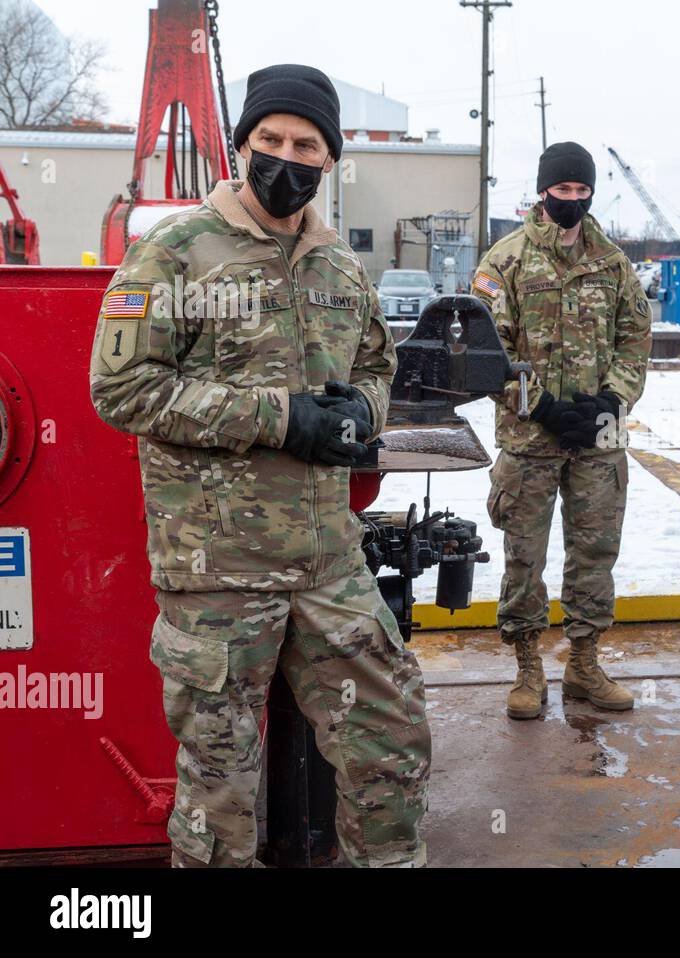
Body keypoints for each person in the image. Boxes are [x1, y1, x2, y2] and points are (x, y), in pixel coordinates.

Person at [89, 64, 430, 867]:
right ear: (242, 146)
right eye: (269, 140)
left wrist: (361, 412)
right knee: (221, 785)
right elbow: (121, 387)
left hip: (325, 560)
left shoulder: (339, 267)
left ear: (328, 160)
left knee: (392, 737)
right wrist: (279, 417)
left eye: (304, 144)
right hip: (217, 569)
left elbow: (380, 366)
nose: (285, 156)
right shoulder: (173, 252)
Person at [471, 142, 652, 720]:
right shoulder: (506, 261)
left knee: (595, 552)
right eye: (562, 190)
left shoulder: (614, 262)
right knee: (525, 556)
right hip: (531, 439)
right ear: (543, 191)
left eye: (581, 191)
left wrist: (612, 402)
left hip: (598, 439)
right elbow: (483, 352)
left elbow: (635, 340)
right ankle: (528, 667)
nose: (571, 200)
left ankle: (584, 662)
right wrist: (541, 406)